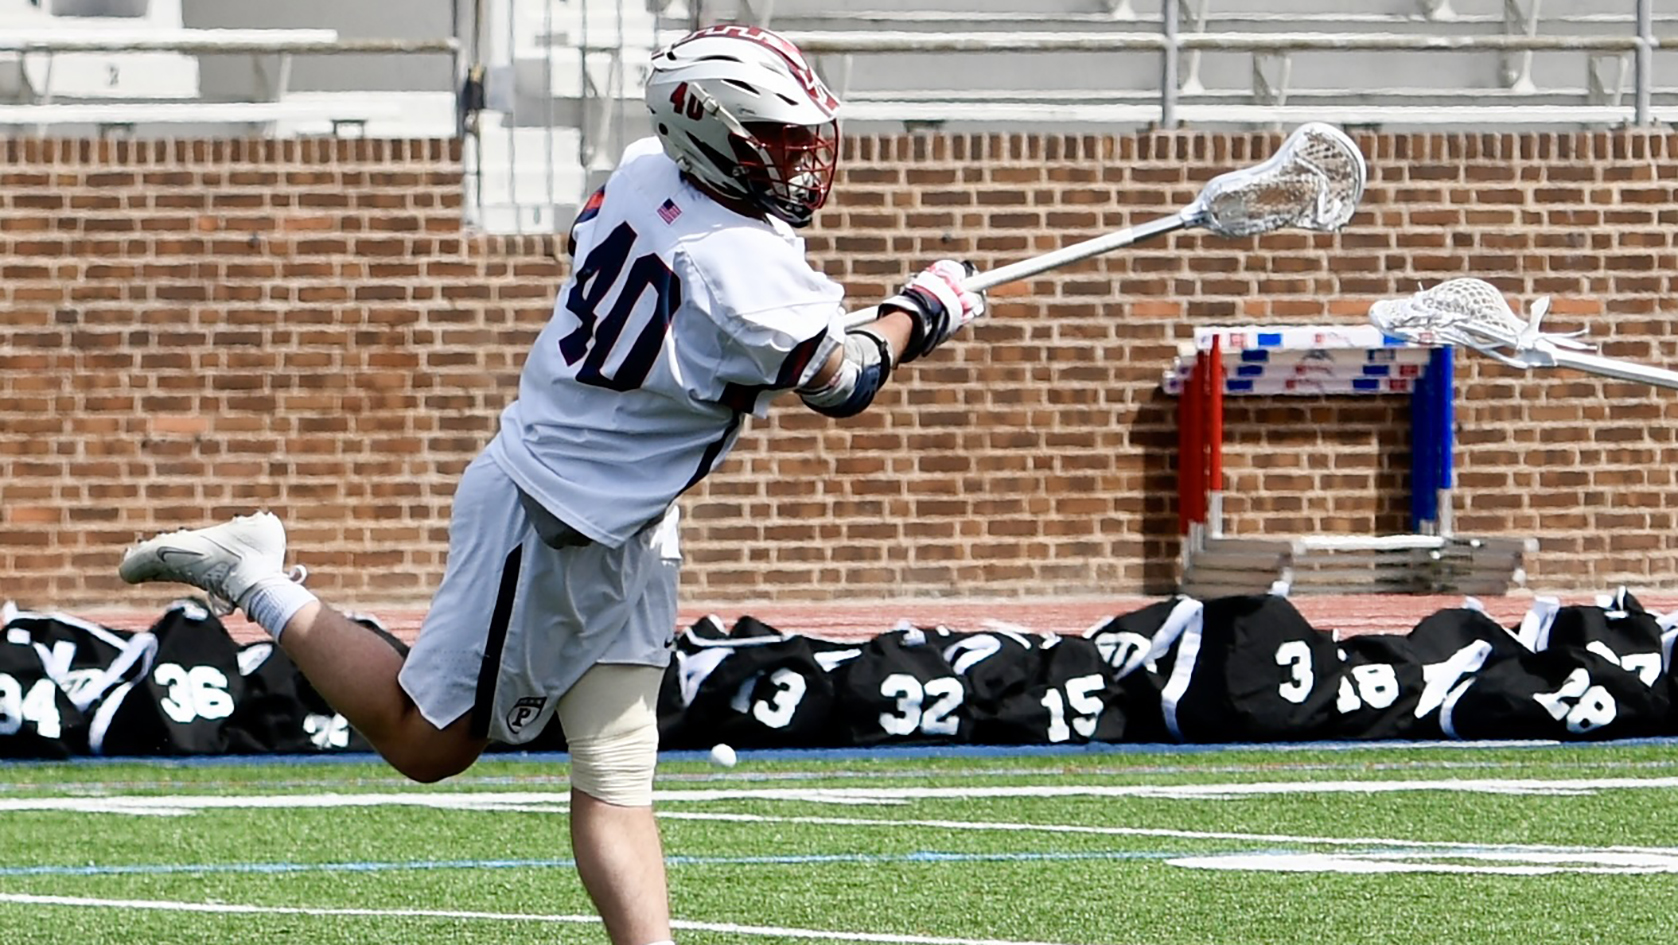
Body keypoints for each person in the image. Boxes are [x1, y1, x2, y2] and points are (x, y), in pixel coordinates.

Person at [117, 23, 985, 945]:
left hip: (625, 518)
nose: (802, 160)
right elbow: (843, 381)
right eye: (776, 140)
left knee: (616, 772)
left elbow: (658, 287)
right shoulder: (745, 267)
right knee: (425, 742)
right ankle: (253, 574)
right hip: (551, 517)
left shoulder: (647, 169)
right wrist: (923, 308)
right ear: (711, 137)